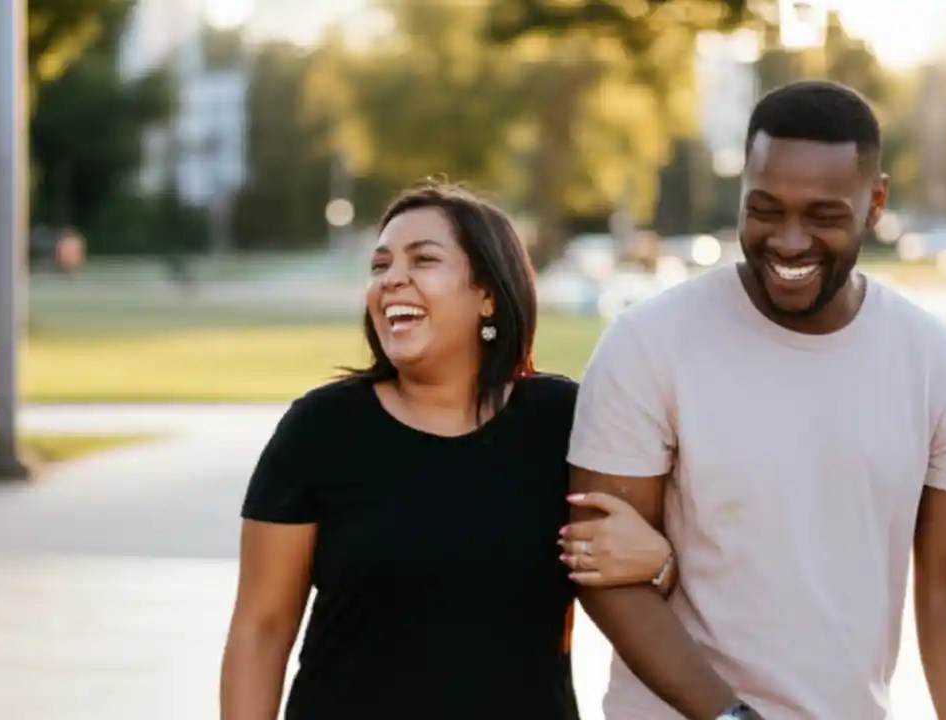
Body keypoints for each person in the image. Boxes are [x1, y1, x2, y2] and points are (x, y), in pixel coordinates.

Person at [560, 80, 946, 719]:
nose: (789, 242)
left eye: (823, 216)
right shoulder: (649, 343)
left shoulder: (943, 366)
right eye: (765, 209)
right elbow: (604, 571)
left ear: (875, 203)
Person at [220, 183, 676, 720]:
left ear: (487, 292)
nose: (392, 279)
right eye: (380, 265)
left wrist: (663, 564)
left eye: (424, 260)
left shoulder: (563, 421)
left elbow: (640, 566)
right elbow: (261, 630)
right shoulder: (320, 429)